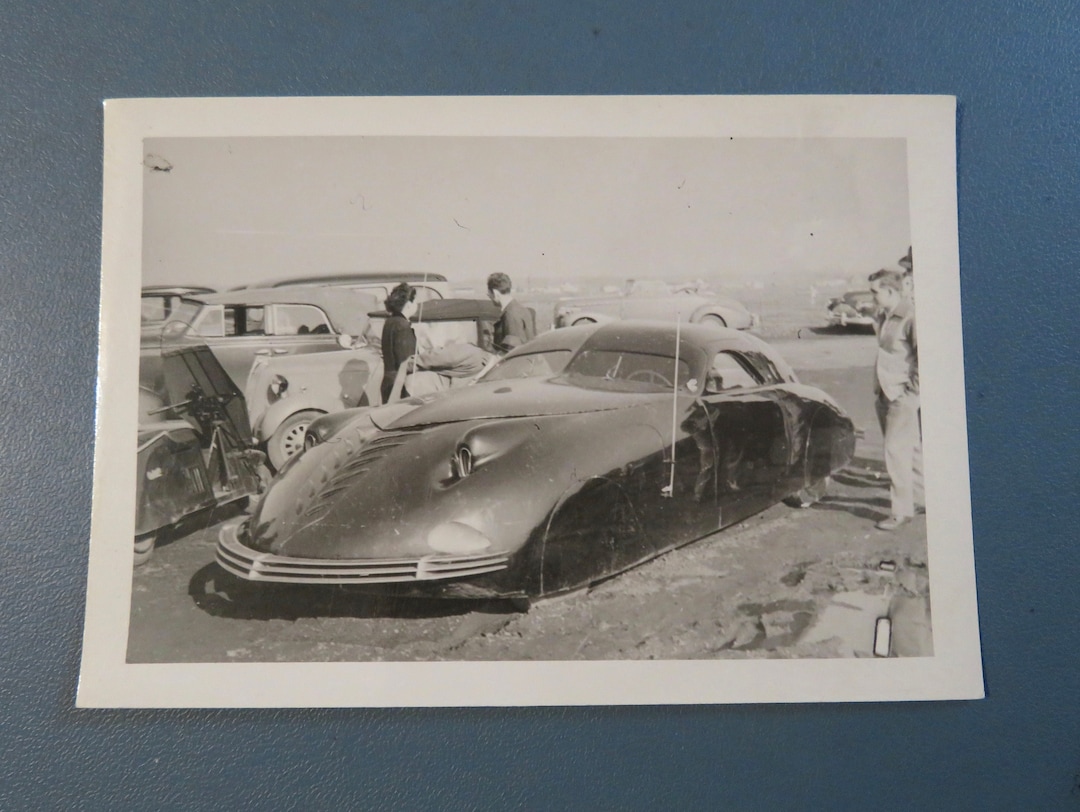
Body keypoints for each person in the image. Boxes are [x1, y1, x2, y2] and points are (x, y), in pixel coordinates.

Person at [868, 268, 923, 530]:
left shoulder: (911, 317)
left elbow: (925, 358)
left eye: (874, 292)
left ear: (890, 291)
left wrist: (911, 393)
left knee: (895, 450)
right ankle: (920, 499)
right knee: (911, 448)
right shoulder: (884, 316)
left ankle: (901, 512)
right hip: (885, 391)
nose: (872, 297)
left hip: (901, 394)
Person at [380, 282, 418, 403]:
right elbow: (407, 361)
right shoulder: (402, 325)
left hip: (389, 381)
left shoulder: (390, 321)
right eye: (415, 301)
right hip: (400, 385)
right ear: (409, 304)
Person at [486, 272, 535, 352]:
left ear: (495, 293)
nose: (489, 296)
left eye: (489, 293)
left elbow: (512, 350)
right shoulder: (522, 309)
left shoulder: (510, 314)